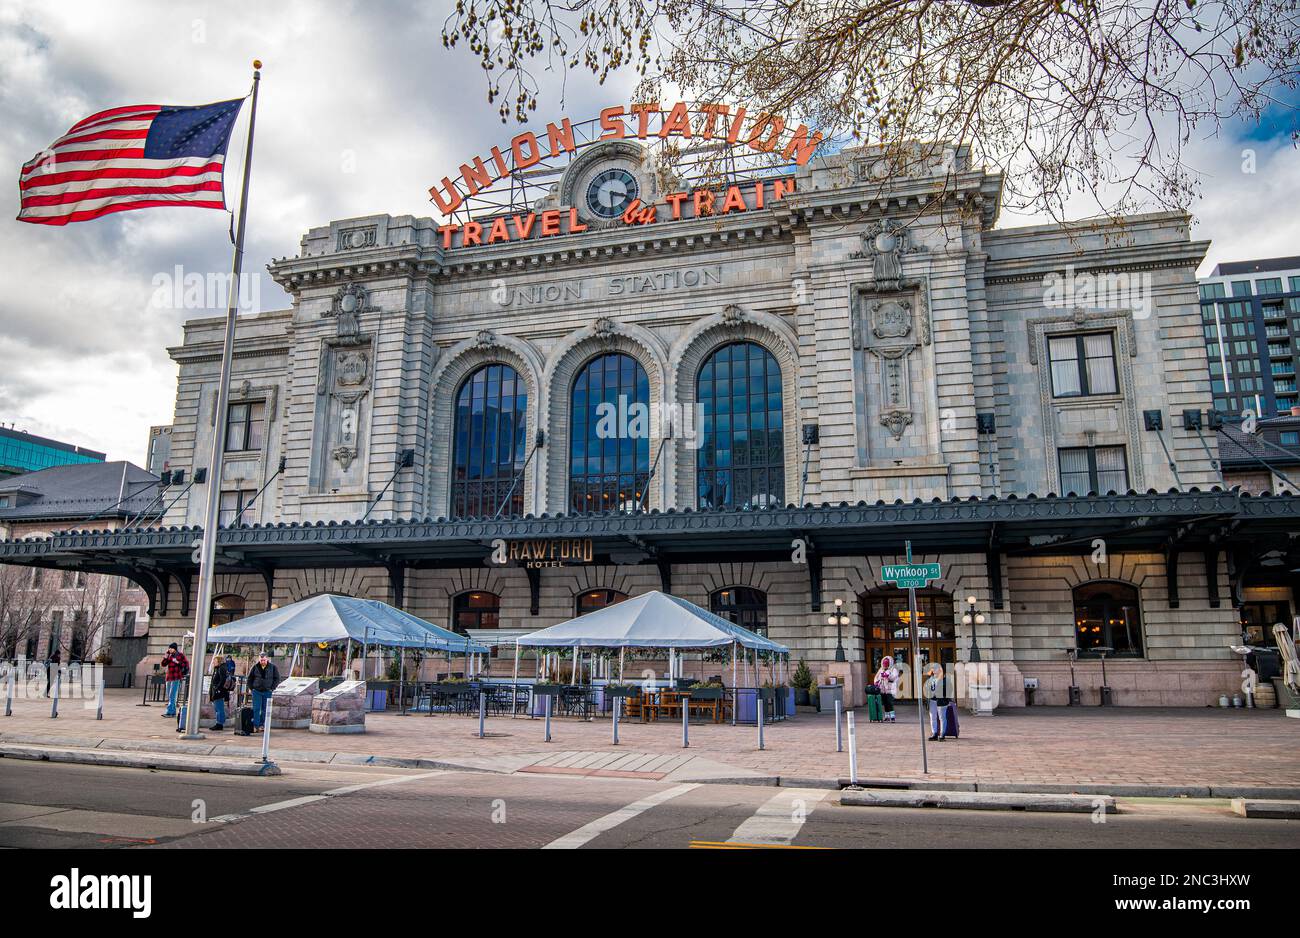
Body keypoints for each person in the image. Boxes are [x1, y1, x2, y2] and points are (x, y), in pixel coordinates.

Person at [246, 651, 281, 730]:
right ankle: (255, 725)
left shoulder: (273, 667)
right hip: (257, 691)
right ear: (259, 659)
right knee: (256, 708)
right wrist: (252, 688)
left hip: (267, 691)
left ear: (267, 659)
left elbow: (277, 678)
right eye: (261, 660)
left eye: (264, 660)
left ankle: (262, 725)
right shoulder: (255, 667)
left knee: (265, 709)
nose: (263, 662)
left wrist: (272, 688)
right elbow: (249, 678)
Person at [161, 642, 189, 717]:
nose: (169, 649)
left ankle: (170, 712)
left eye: (171, 648)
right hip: (169, 677)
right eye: (169, 648)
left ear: (174, 649)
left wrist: (177, 662)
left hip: (176, 677)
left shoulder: (180, 655)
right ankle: (172, 712)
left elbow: (186, 664)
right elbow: (163, 664)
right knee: (169, 695)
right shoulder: (168, 655)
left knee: (172, 695)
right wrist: (165, 657)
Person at [924, 662, 950, 741]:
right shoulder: (930, 679)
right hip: (932, 700)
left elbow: (949, 690)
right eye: (933, 669)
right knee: (933, 717)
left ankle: (942, 734)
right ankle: (934, 733)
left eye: (936, 669)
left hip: (941, 700)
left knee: (942, 717)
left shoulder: (945, 679)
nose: (934, 670)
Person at [208, 656, 235, 731]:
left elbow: (222, 680)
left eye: (215, 661)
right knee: (217, 708)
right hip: (217, 691)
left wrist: (217, 688)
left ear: (219, 661)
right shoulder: (218, 668)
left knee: (219, 708)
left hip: (219, 692)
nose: (213, 662)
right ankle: (219, 722)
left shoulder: (221, 668)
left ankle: (220, 723)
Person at [873, 655, 900, 723]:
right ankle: (887, 716)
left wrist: (888, 676)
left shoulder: (893, 669)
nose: (885, 666)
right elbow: (876, 677)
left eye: (886, 664)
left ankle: (892, 717)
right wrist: (876, 682)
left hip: (890, 689)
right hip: (883, 689)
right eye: (884, 664)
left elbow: (894, 677)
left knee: (889, 703)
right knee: (885, 703)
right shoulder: (881, 669)